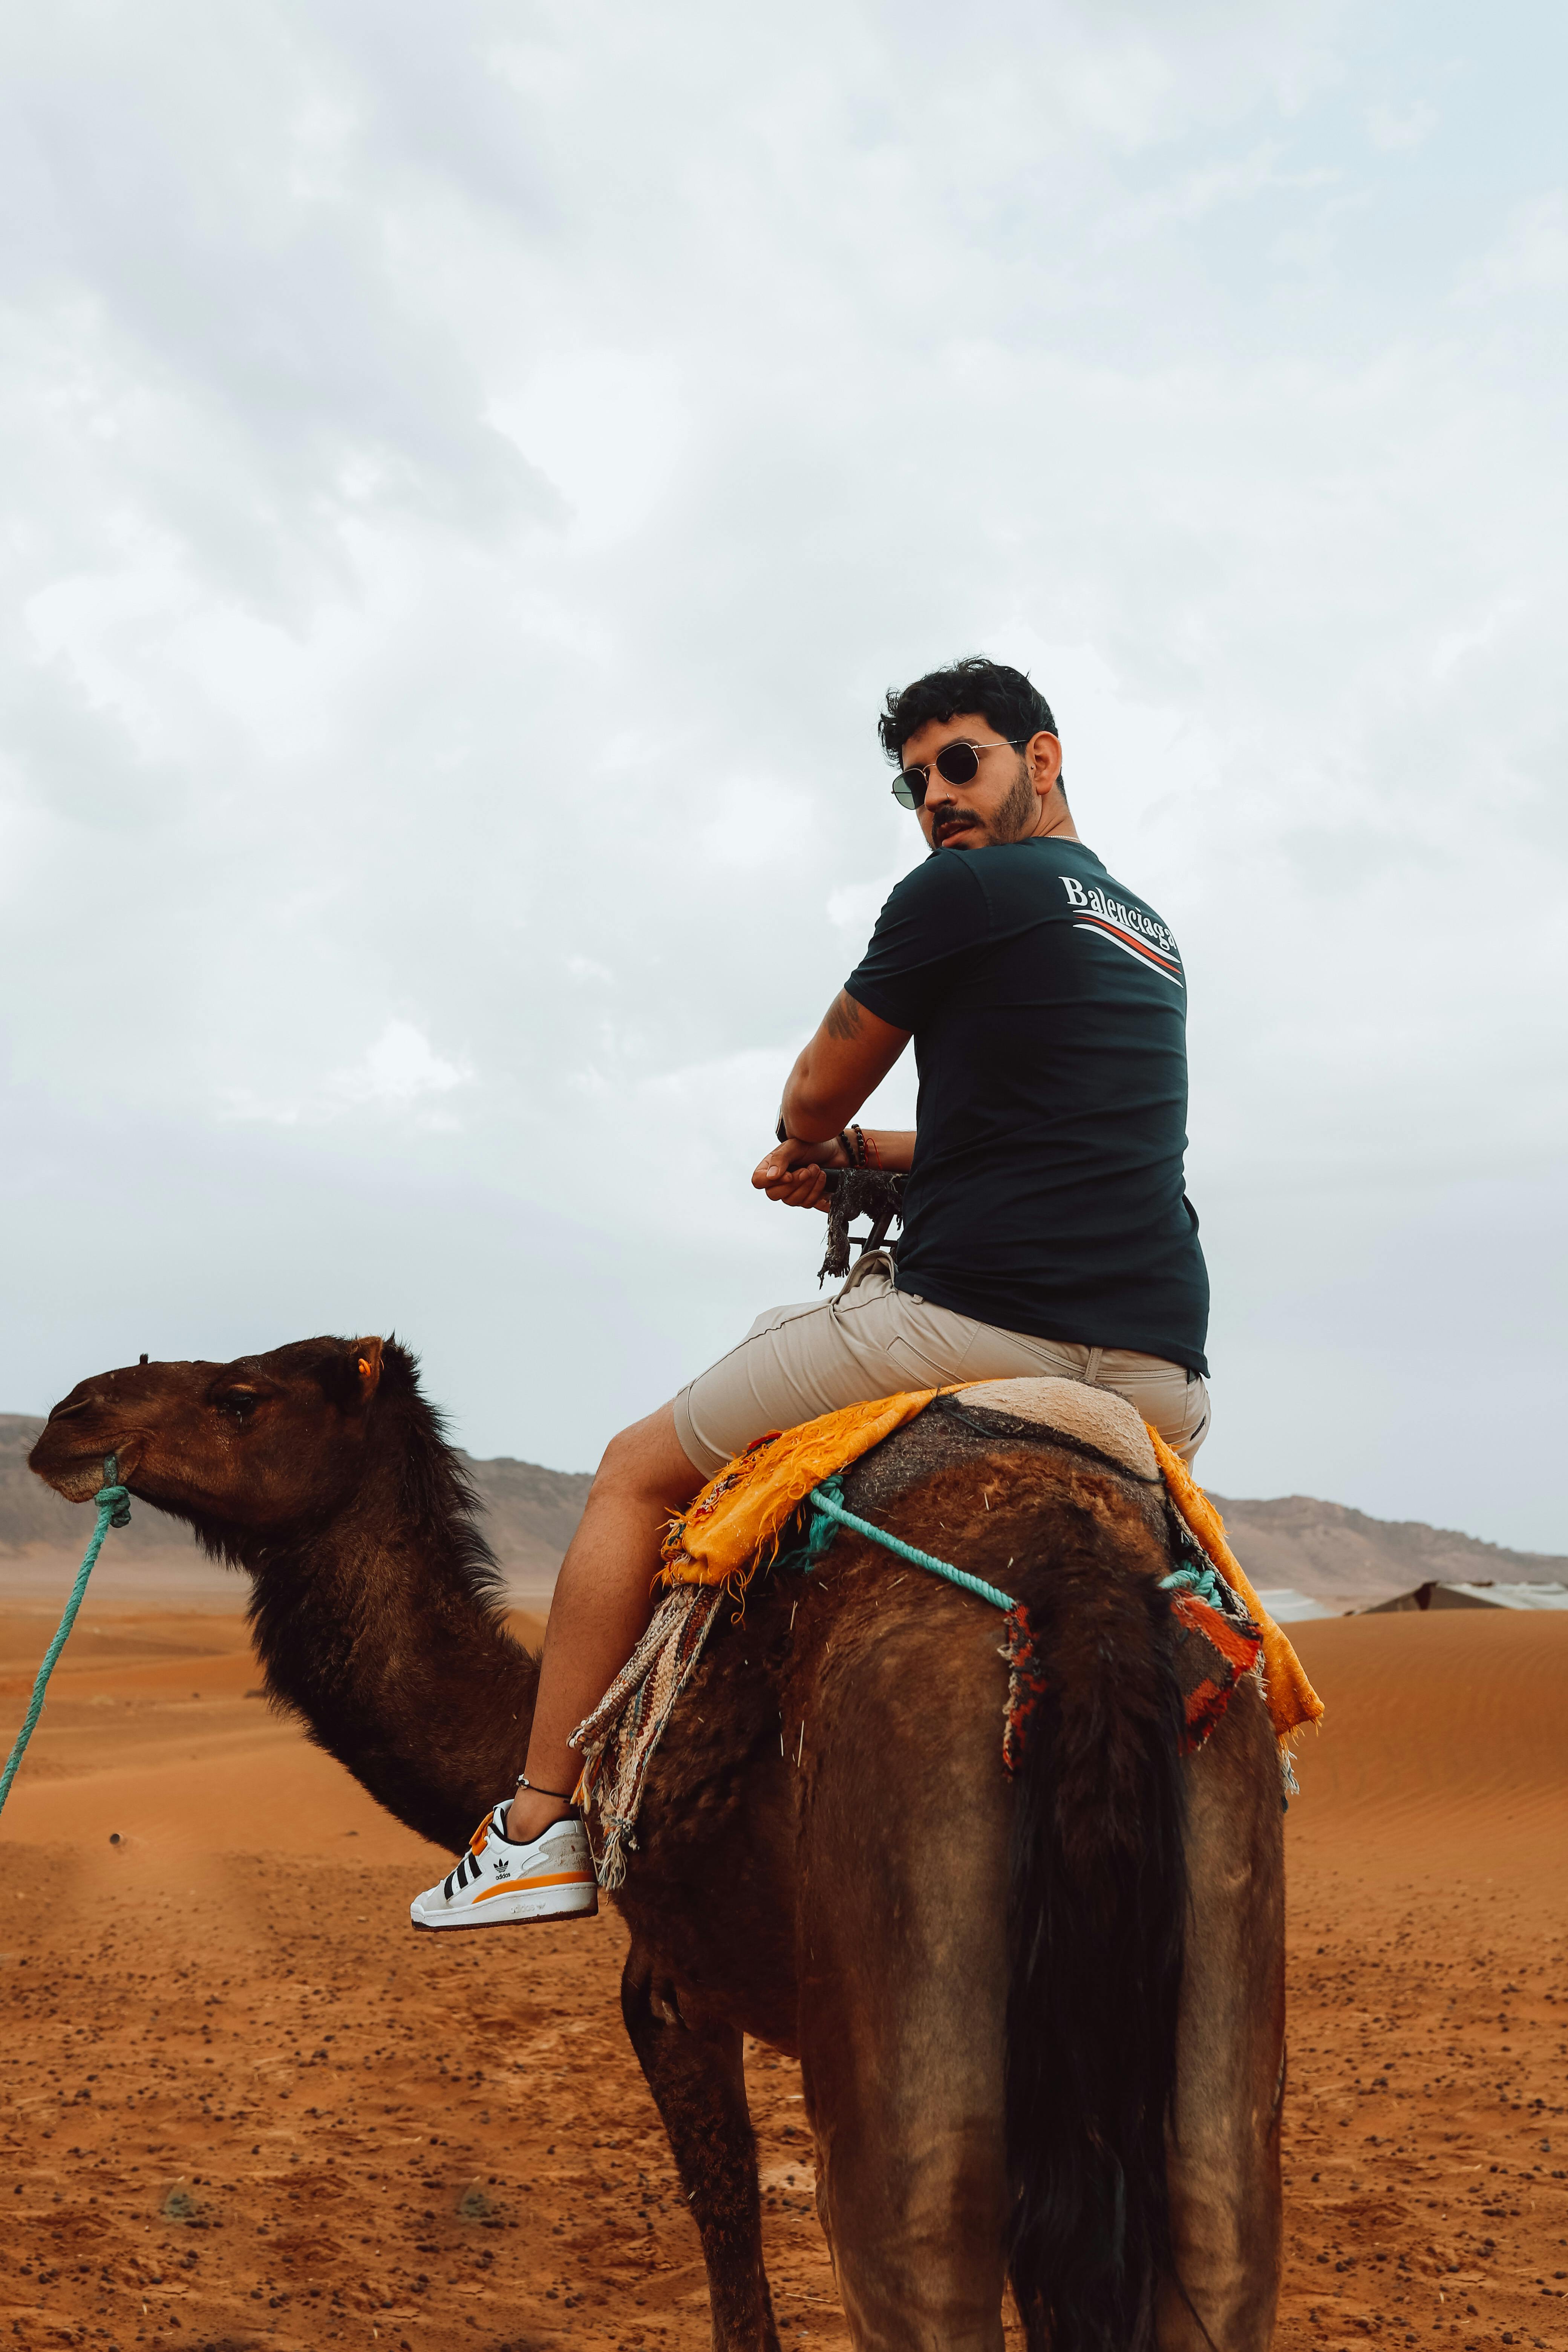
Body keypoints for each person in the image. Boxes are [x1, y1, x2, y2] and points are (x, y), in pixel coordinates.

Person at [409, 655, 1211, 1930]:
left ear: (1042, 759)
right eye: (914, 784)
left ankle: (538, 1824)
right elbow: (1036, 1136)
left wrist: (818, 1131)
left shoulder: (964, 889)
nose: (937, 797)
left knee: (632, 1473)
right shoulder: (1148, 930)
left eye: (963, 762)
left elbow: (809, 1097)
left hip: (980, 1319)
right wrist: (864, 1164)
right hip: (1165, 1373)